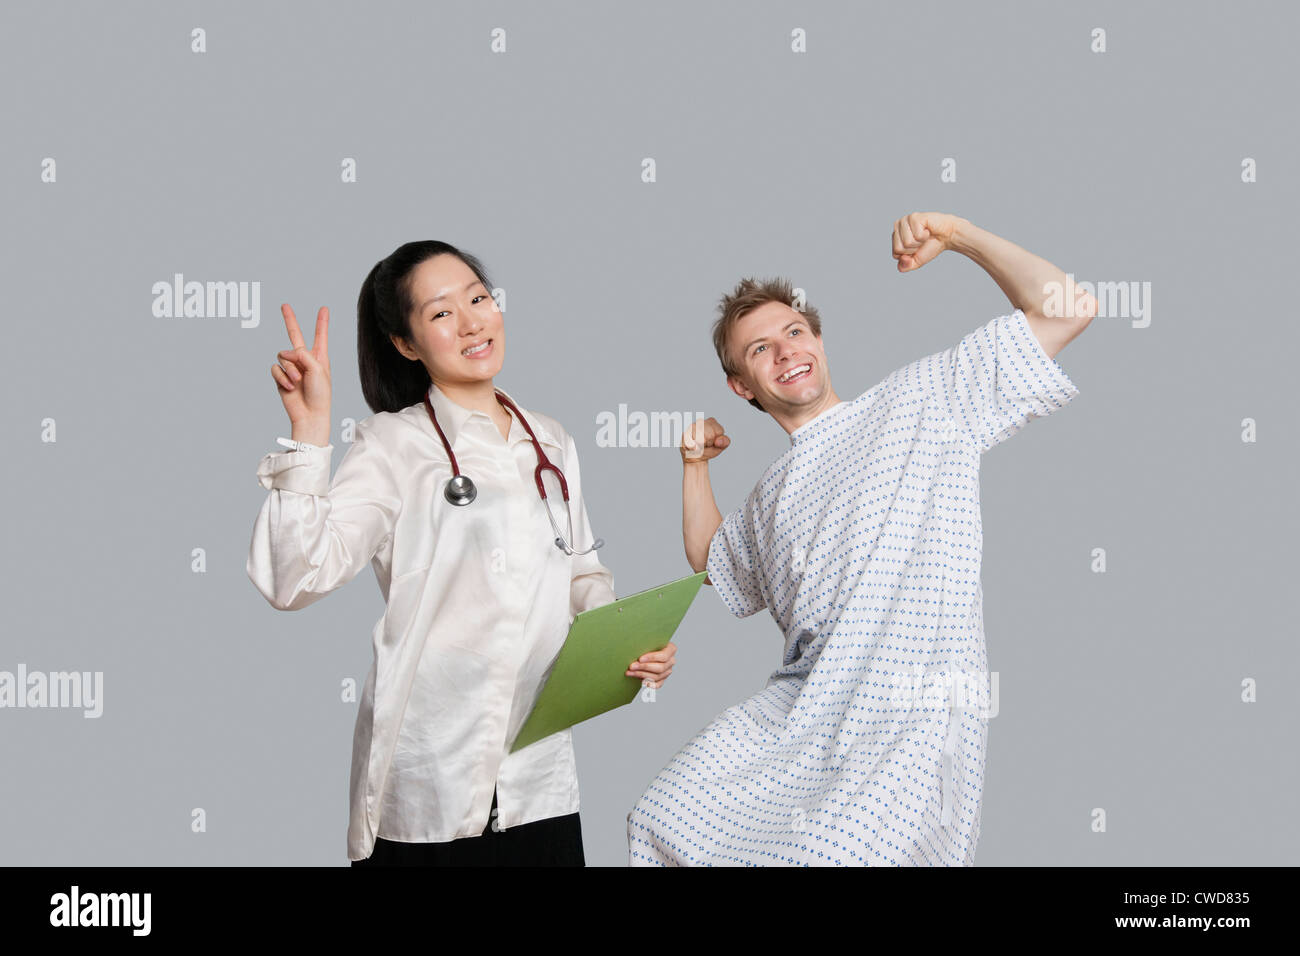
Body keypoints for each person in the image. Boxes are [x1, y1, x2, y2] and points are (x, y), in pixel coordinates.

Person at [627, 212, 1096, 866]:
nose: (786, 350)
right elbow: (714, 561)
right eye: (760, 349)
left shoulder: (923, 401)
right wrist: (694, 465)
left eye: (794, 331)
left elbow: (1068, 308)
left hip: (902, 716)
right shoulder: (769, 492)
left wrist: (959, 235)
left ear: (819, 339)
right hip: (798, 712)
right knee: (663, 815)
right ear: (741, 386)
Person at [246, 241, 677, 866]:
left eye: (479, 298)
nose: (474, 321)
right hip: (428, 782)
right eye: (442, 312)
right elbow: (294, 579)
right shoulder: (392, 445)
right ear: (405, 343)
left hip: (538, 783)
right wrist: (310, 437)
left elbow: (581, 569)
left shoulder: (549, 439)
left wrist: (627, 642)